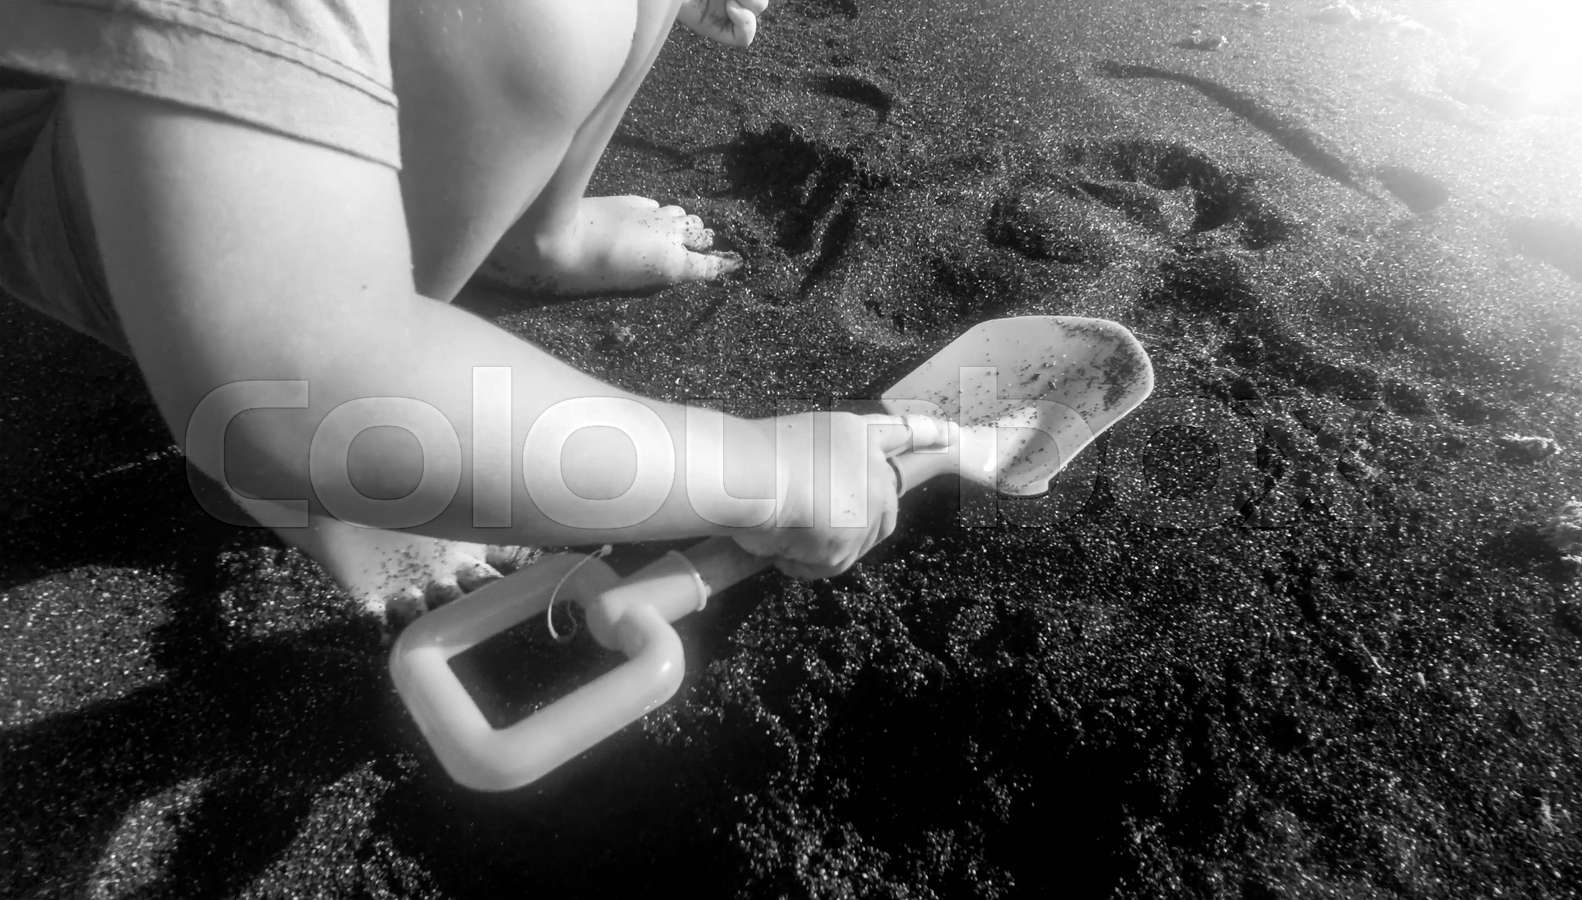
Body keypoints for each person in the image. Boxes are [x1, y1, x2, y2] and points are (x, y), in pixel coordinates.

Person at [0, 0, 949, 624]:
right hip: (112, 204)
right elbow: (286, 397)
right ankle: (320, 483)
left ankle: (536, 233)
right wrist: (763, 475)